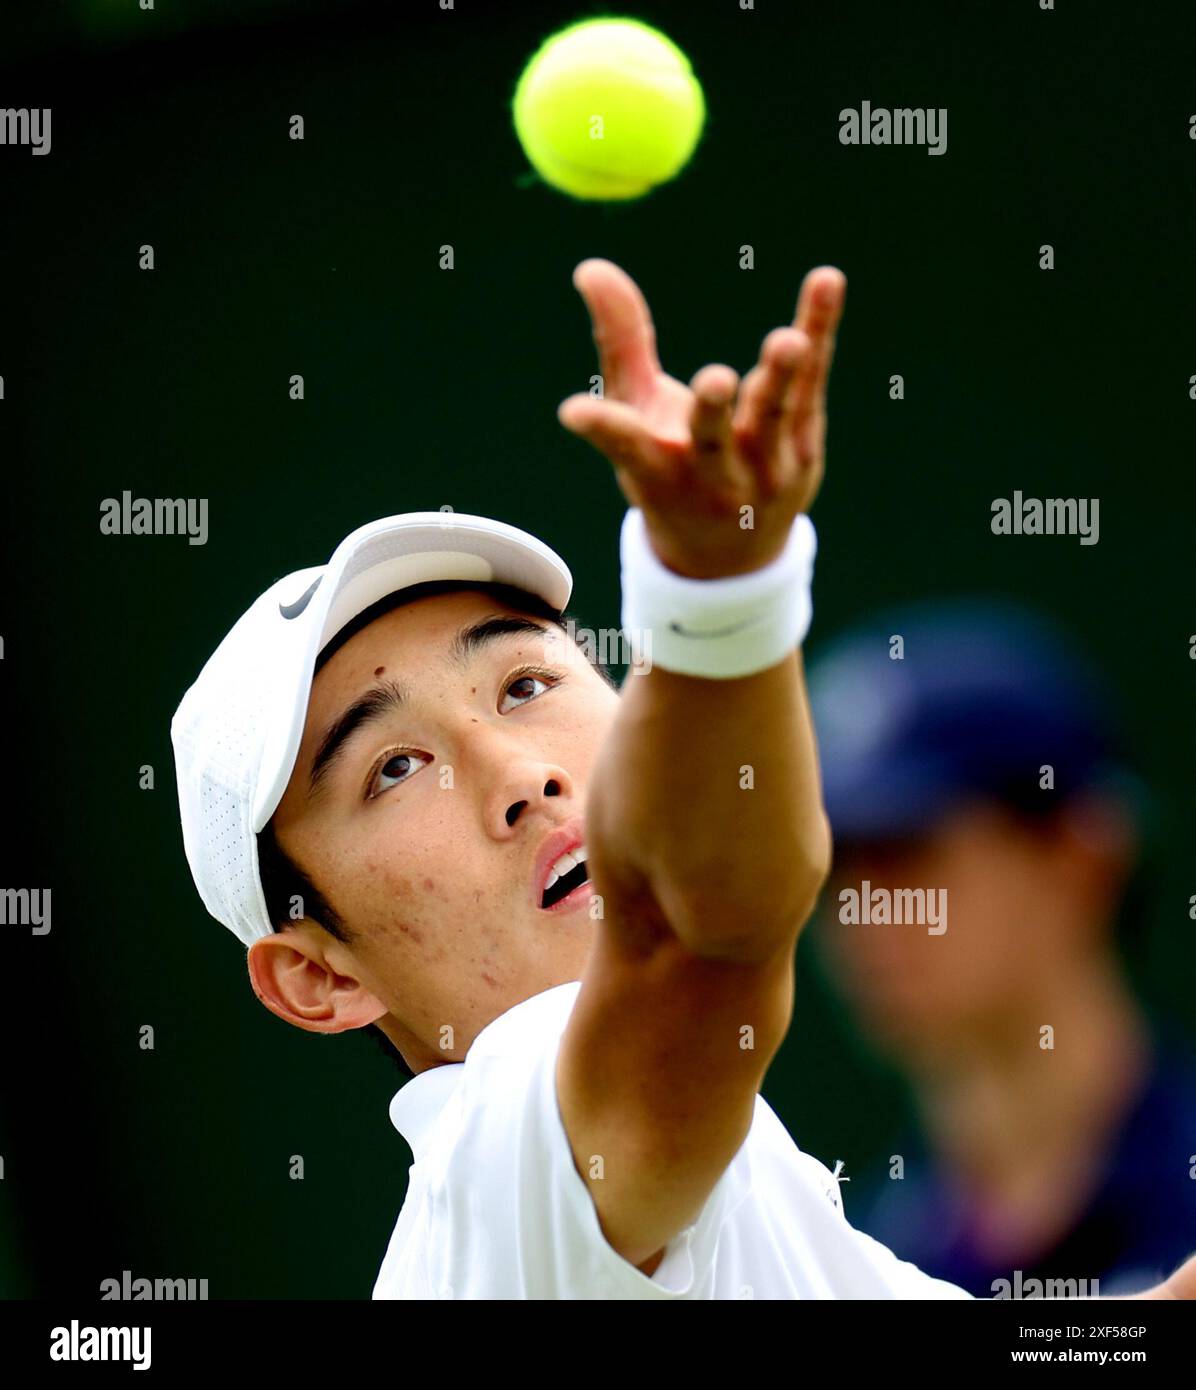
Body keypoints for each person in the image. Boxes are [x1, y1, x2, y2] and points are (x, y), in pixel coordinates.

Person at [170, 258, 1194, 1301]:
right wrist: (717, 591)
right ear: (320, 976)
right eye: (394, 767)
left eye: (524, 683)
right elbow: (700, 930)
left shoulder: (766, 1205)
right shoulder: (502, 1158)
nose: (520, 774)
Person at [808, 601, 1196, 1297]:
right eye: (835, 864)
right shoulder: (853, 1260)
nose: (862, 909)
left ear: (1081, 856)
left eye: (906, 851)